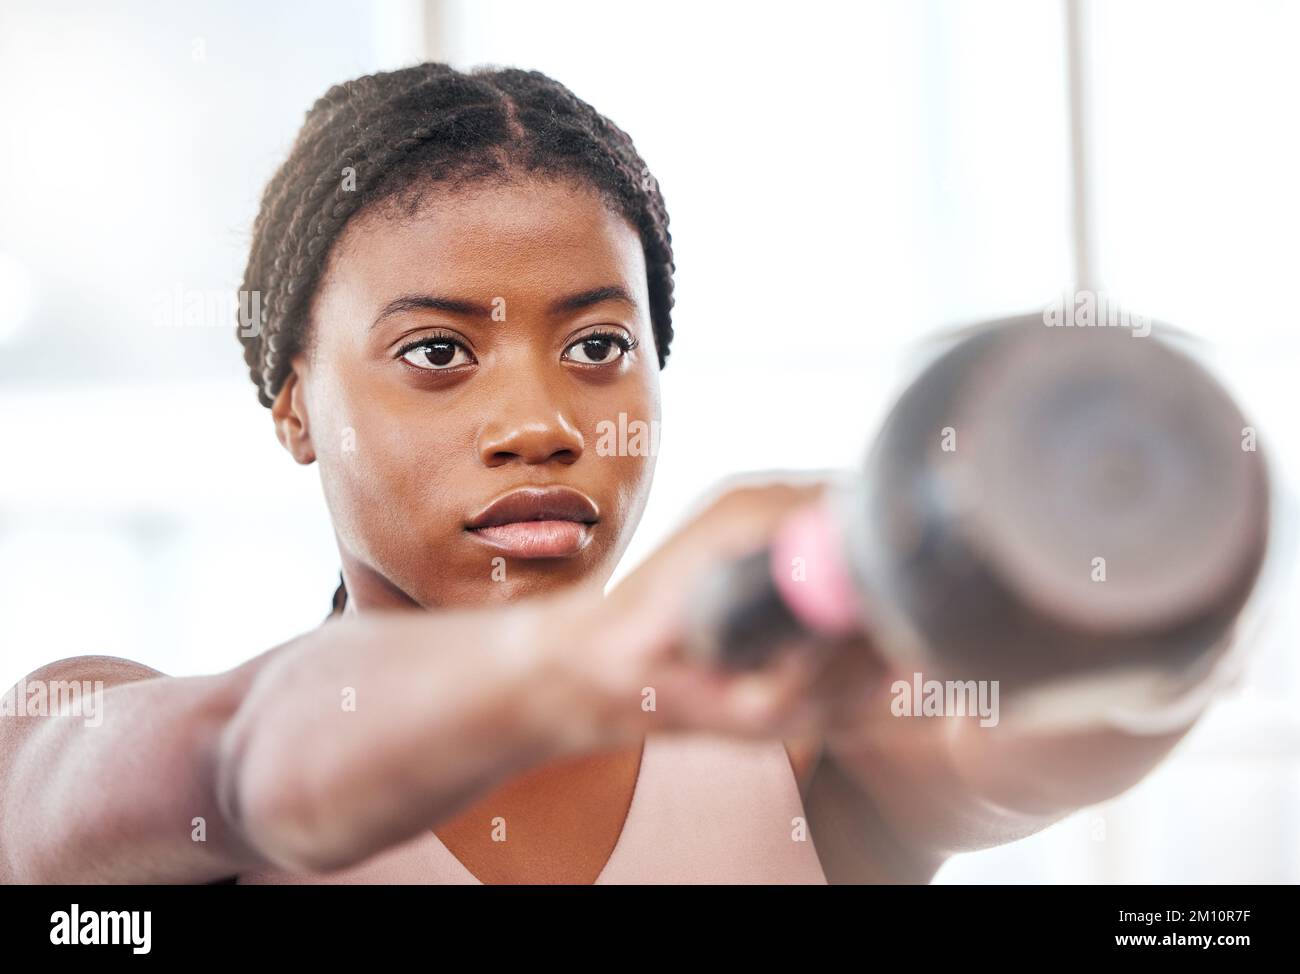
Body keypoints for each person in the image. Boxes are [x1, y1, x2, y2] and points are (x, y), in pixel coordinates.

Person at [0, 63, 1198, 885]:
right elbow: (239, 758)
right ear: (296, 406)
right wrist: (584, 662)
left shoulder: (801, 753)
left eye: (596, 347)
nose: (538, 423)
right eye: (436, 351)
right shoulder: (102, 732)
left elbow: (1068, 737)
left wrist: (1153, 561)